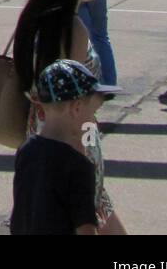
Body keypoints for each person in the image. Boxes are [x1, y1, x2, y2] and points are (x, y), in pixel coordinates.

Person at [15, 0, 127, 234]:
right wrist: (82, 155)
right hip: (74, 139)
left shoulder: (34, 21)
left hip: (40, 135)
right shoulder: (72, 30)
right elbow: (73, 103)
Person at [10, 59, 113, 235]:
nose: (94, 121)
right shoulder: (79, 167)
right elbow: (86, 230)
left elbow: (21, 214)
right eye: (93, 112)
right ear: (77, 108)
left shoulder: (26, 150)